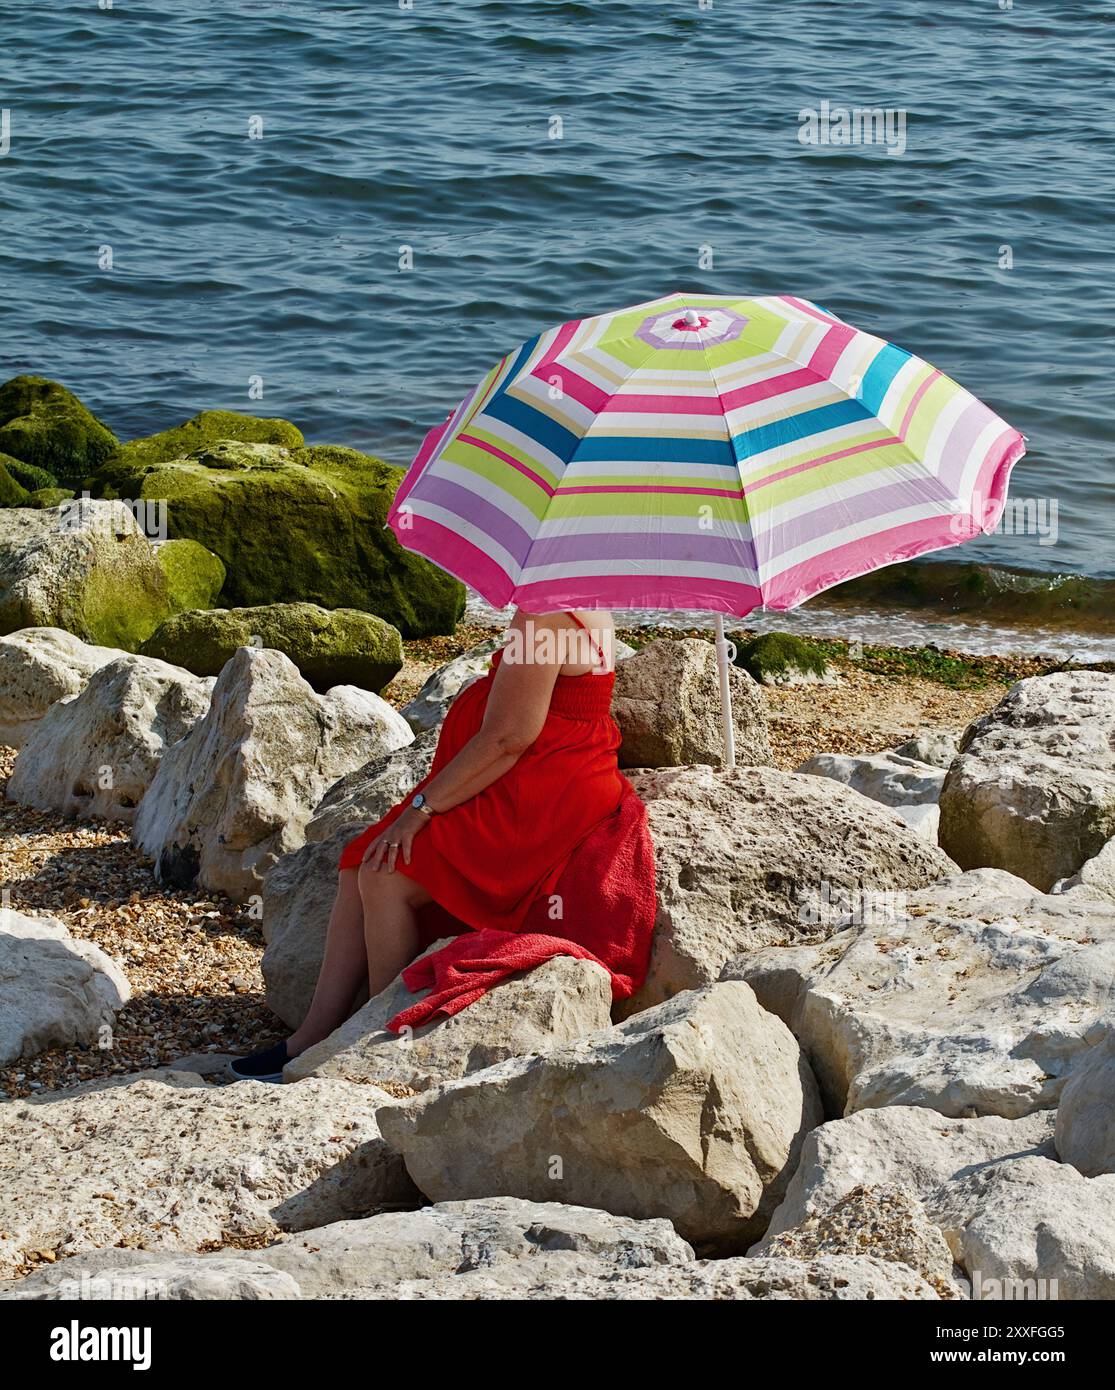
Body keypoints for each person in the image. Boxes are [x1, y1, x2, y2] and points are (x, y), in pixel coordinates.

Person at [230, 607, 622, 1080]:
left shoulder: (545, 617)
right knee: (362, 863)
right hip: (549, 774)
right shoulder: (582, 603)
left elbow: (508, 738)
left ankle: (376, 1039)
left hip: (543, 793)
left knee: (385, 873)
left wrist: (421, 809)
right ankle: (311, 1038)